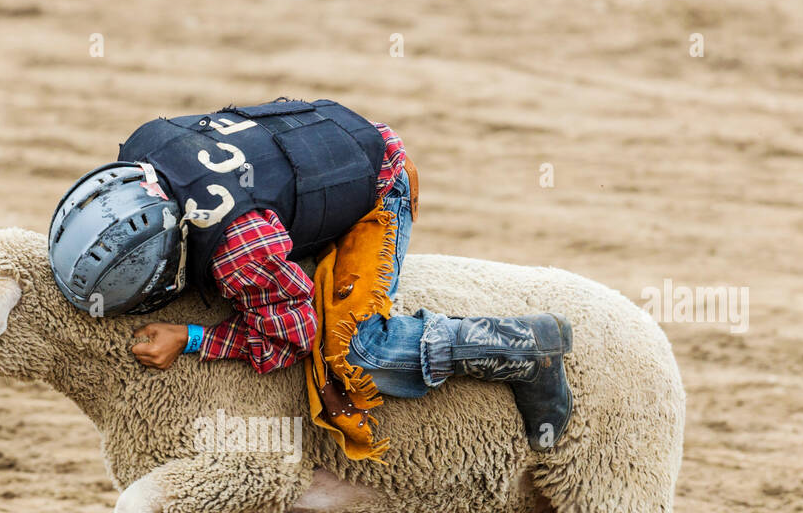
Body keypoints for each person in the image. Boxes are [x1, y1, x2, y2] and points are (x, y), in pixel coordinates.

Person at [47, 98, 571, 449]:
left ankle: (524, 346)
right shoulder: (143, 150)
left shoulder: (238, 253)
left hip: (380, 185)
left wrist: (192, 337)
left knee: (355, 350)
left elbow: (294, 338)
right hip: (325, 136)